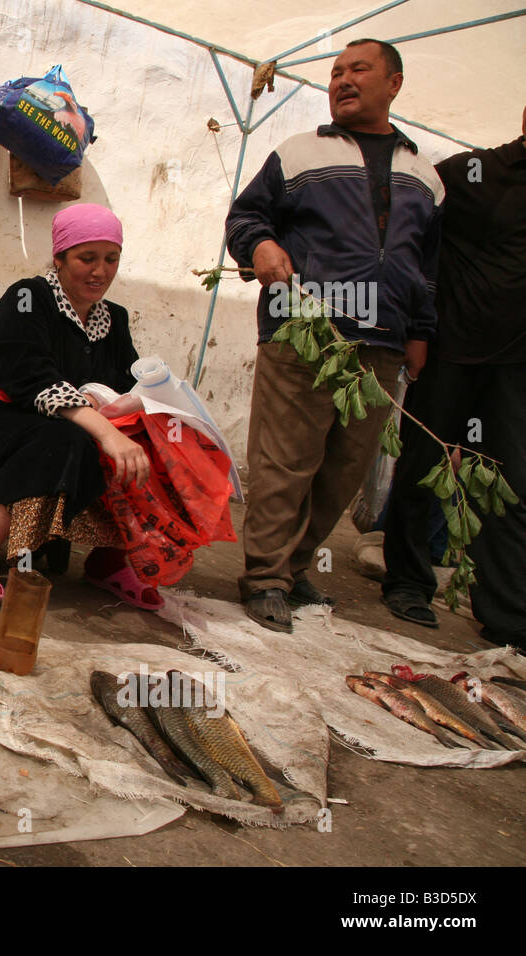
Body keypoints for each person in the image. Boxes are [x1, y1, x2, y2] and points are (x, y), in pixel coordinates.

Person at [225, 38, 443, 633]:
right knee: (286, 460)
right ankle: (265, 577)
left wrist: (420, 331)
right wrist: (260, 245)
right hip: (304, 330)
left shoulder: (426, 176)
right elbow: (245, 217)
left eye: (358, 69)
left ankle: (295, 566)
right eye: (336, 72)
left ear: (394, 83)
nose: (343, 80)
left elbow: (427, 268)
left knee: (344, 467)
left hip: (383, 340)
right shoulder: (299, 153)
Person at [0, 204, 162, 609]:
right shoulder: (27, 298)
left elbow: (126, 384)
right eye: (87, 258)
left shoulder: (115, 319)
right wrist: (105, 431)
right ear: (59, 258)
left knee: (152, 438)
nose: (100, 271)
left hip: (66, 426)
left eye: (111, 259)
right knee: (63, 438)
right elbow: (31, 380)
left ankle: (109, 560)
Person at [381, 106, 526, 644]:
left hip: (515, 367)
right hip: (451, 350)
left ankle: (507, 615)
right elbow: (417, 232)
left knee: (509, 485)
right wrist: (417, 327)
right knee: (424, 466)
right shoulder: (473, 172)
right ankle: (408, 582)